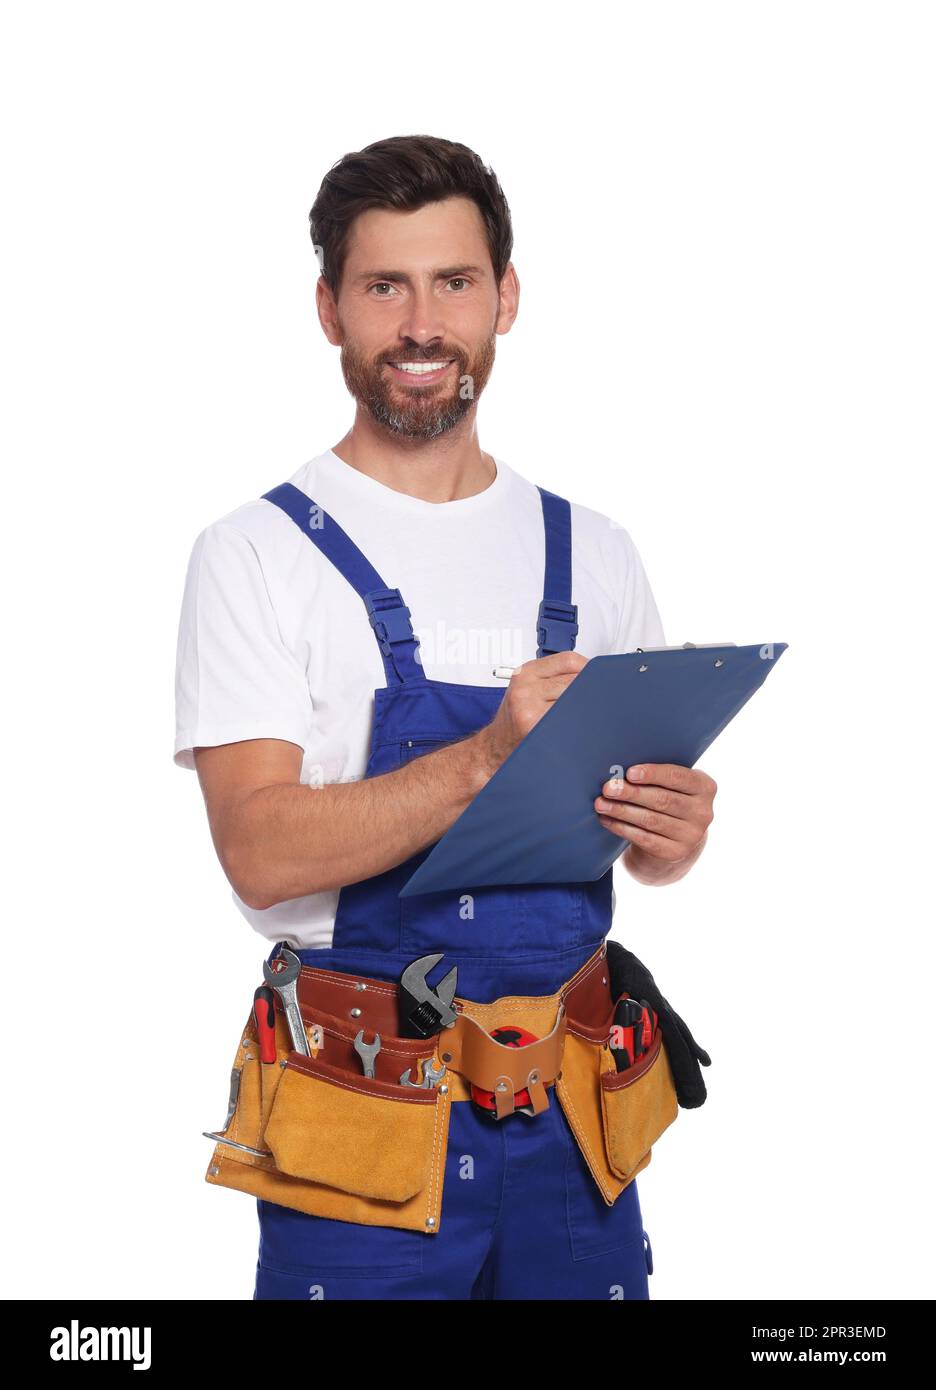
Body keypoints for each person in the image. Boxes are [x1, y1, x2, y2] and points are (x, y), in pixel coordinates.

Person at [173, 134, 717, 1300]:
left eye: (454, 282)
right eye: (385, 286)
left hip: (575, 1128)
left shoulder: (596, 551)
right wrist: (483, 759)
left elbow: (637, 838)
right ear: (330, 309)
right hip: (361, 1126)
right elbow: (259, 850)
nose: (423, 324)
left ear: (505, 297)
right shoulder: (255, 555)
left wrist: (672, 832)